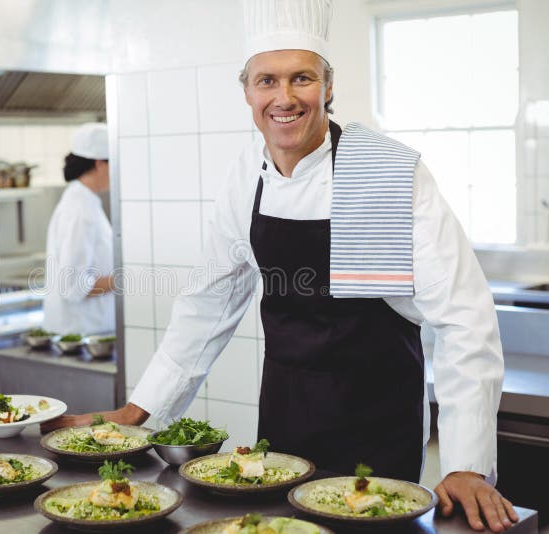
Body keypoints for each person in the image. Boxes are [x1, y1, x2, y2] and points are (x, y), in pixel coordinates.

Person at [41, 1, 518, 531]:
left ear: (328, 86)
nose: (284, 98)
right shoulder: (245, 174)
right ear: (247, 92)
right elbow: (207, 304)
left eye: (302, 78)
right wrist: (141, 411)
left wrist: (466, 465)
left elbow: (464, 315)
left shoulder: (387, 170)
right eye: (267, 80)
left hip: (378, 418)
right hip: (286, 418)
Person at [41, 122, 115, 335]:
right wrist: (124, 279)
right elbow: (72, 285)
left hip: (90, 331)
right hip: (80, 334)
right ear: (100, 164)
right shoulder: (79, 209)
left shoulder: (86, 201)